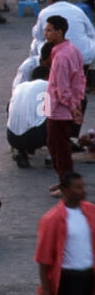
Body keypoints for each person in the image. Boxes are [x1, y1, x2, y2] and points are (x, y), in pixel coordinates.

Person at [45, 15, 85, 183]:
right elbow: (81, 78)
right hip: (58, 106)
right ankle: (64, 182)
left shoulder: (61, 57)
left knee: (59, 149)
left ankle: (66, 184)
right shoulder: (72, 50)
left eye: (49, 30)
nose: (46, 33)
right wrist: (78, 102)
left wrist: (73, 107)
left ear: (59, 32)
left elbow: (62, 89)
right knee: (56, 145)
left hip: (58, 110)